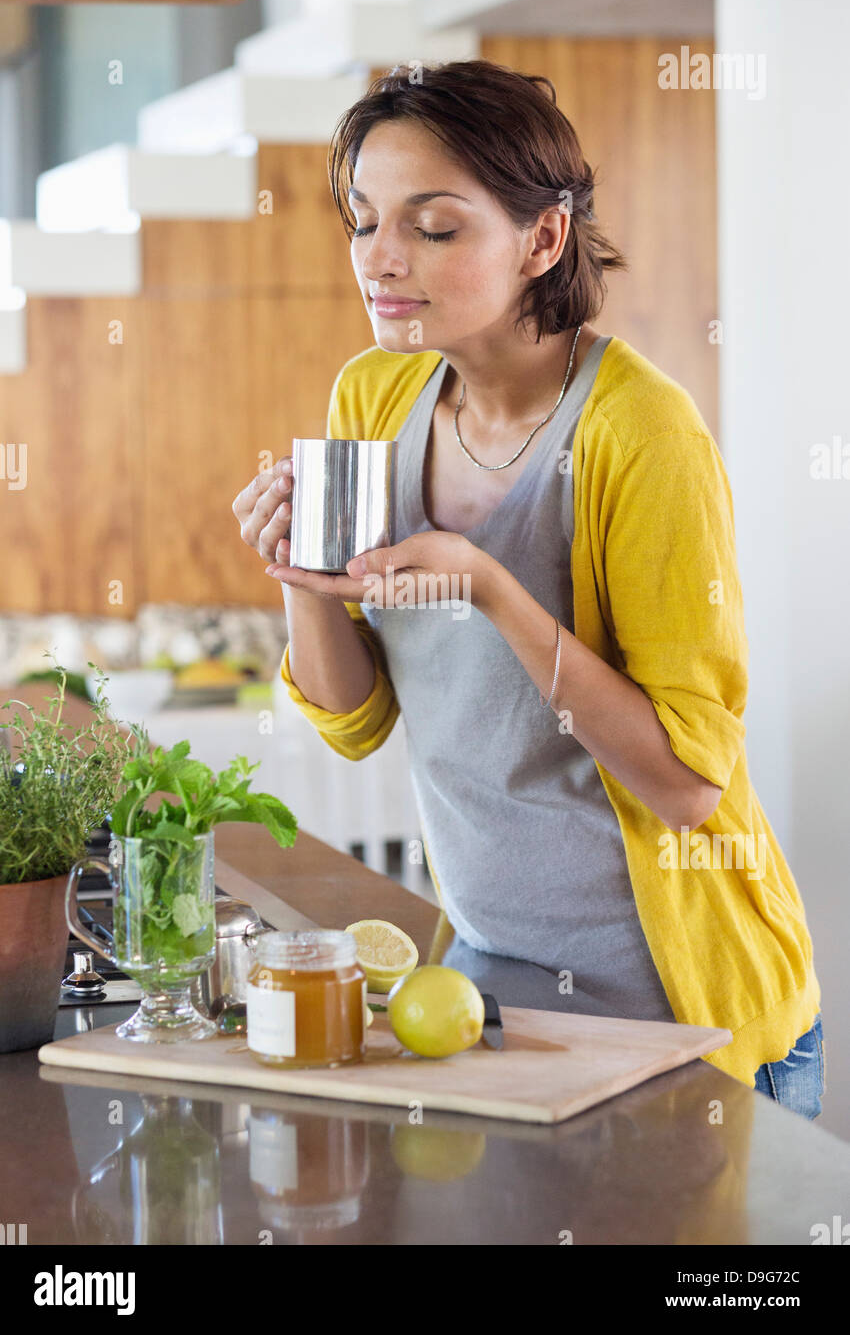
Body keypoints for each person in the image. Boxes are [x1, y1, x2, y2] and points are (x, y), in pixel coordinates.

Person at [233, 60, 823, 1118]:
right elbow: (354, 720)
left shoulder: (638, 431)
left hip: (677, 1010)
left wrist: (491, 590)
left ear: (542, 240)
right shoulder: (374, 392)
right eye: (364, 221)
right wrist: (301, 580)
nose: (381, 259)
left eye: (434, 227)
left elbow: (688, 785)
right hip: (487, 992)